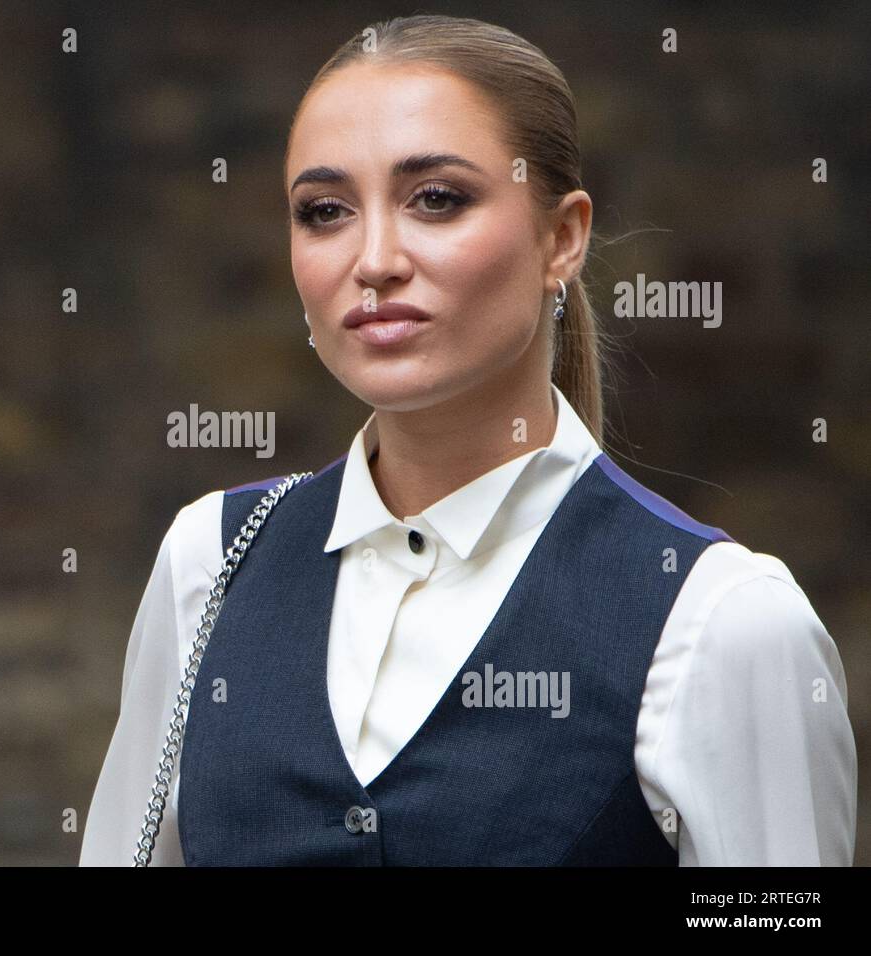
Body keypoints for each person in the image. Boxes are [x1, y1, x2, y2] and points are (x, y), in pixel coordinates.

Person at [79, 13, 856, 866]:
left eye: (436, 199)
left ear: (562, 238)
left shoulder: (723, 622)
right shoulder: (210, 564)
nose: (374, 259)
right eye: (324, 210)